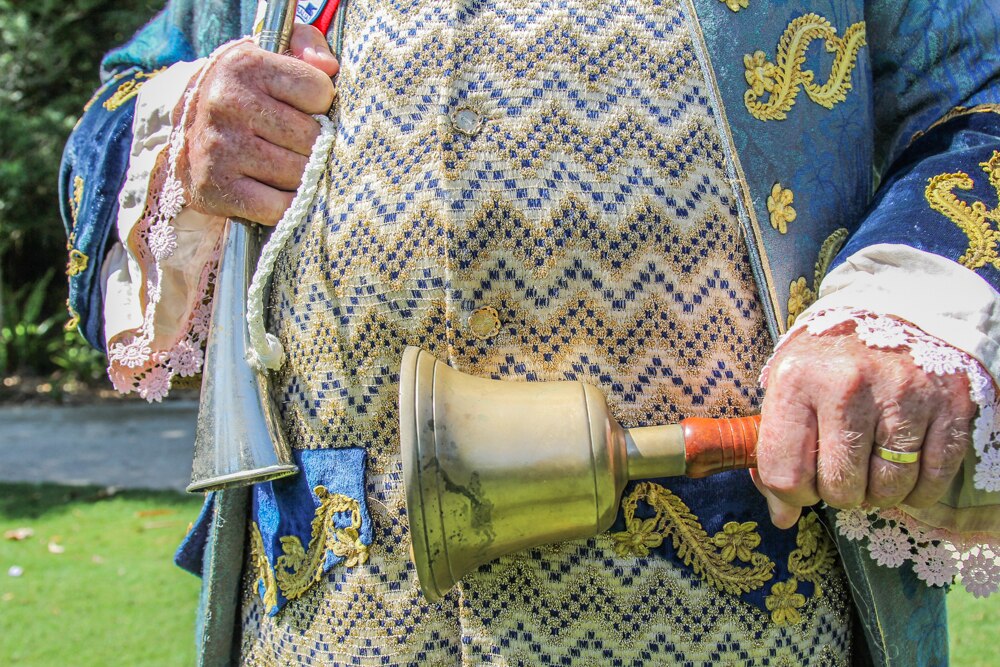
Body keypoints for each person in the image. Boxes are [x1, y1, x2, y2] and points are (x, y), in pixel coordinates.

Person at [61, 1, 1000, 664]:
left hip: (741, 624)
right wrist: (183, 133)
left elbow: (981, 92)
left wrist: (908, 313)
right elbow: (120, 102)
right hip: (326, 627)